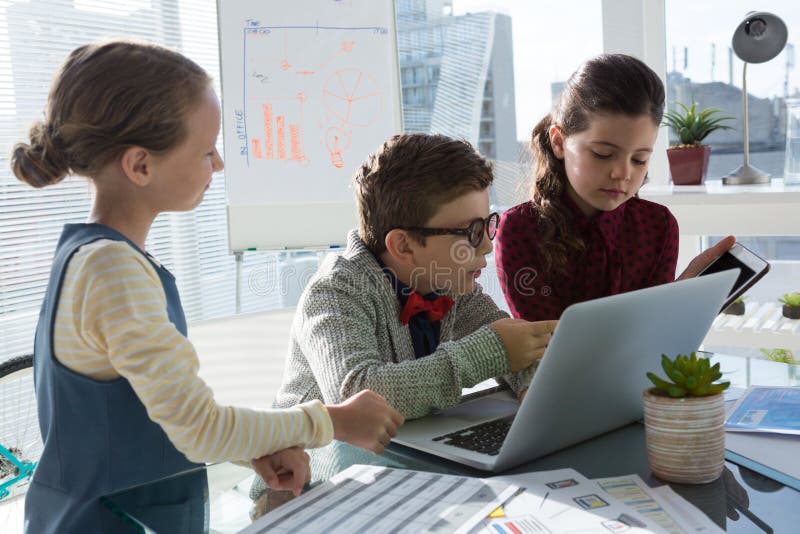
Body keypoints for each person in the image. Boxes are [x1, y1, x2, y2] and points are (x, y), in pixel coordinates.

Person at [11, 40, 402, 533]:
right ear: (140, 166)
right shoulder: (114, 270)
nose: (217, 166)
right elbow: (199, 428)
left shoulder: (96, 257)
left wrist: (254, 450)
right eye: (206, 151)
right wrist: (334, 421)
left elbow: (162, 416)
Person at [270, 133, 557, 420]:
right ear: (403, 245)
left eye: (486, 225)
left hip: (403, 446)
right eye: (471, 231)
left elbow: (514, 345)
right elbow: (356, 396)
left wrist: (531, 386)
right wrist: (489, 353)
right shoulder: (335, 291)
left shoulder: (447, 280)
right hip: (316, 456)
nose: (487, 245)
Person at [495, 53, 734, 321]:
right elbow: (547, 349)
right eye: (602, 154)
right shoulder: (520, 229)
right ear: (559, 142)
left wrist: (678, 299)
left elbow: (649, 337)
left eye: (639, 159)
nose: (622, 173)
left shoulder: (658, 226)